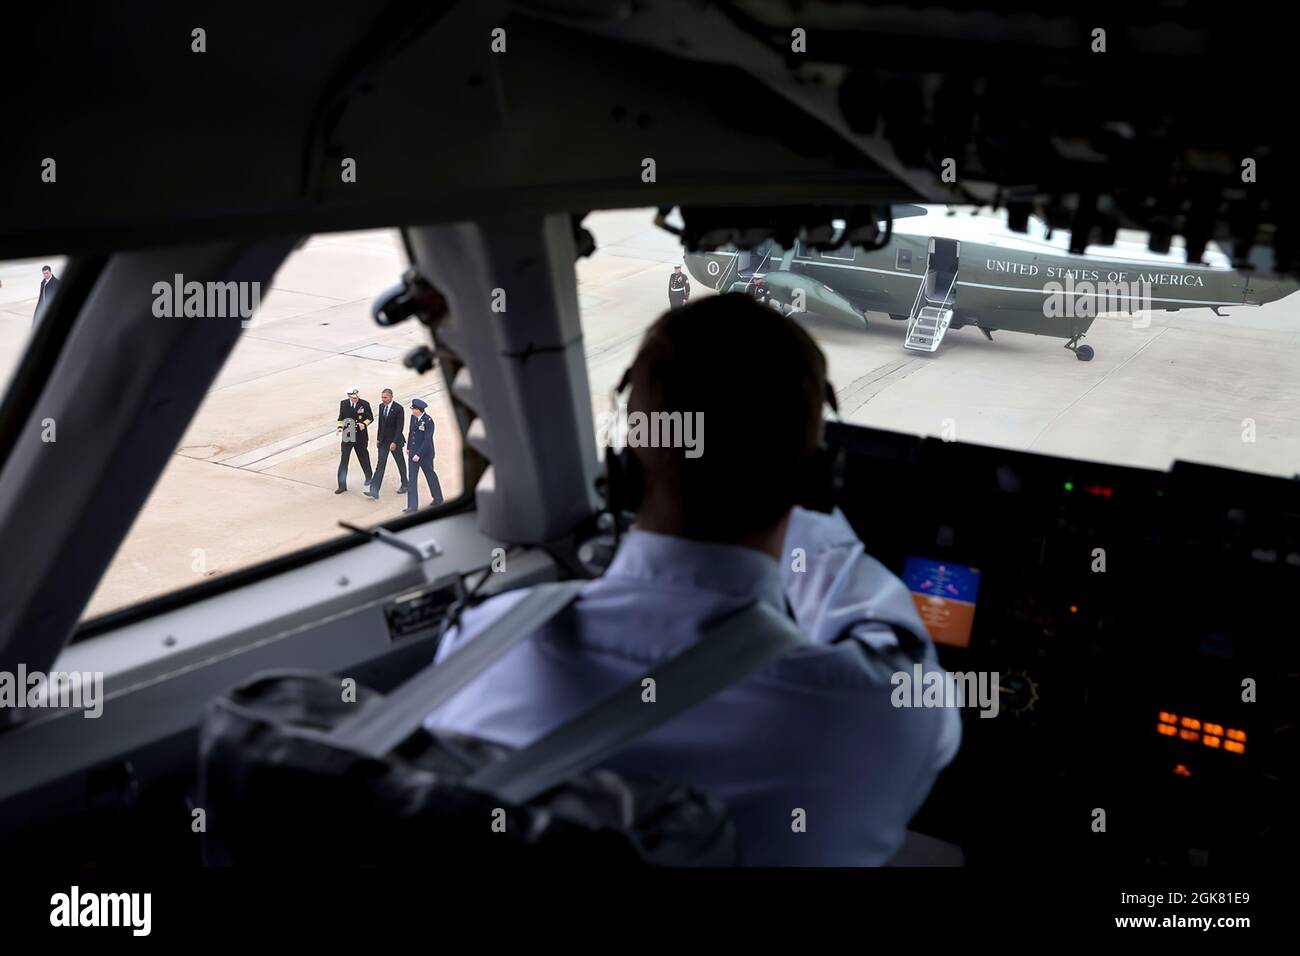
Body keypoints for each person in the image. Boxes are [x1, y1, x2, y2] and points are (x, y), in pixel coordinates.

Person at [423, 293, 961, 865]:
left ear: (624, 470)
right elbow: (902, 655)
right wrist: (817, 531)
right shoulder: (878, 713)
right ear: (816, 480)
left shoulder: (478, 642)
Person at [402, 397, 443, 513]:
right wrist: (409, 448)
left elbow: (427, 440)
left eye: (414, 409)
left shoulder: (428, 421)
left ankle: (438, 498)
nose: (412, 411)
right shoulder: (413, 417)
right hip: (413, 453)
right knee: (412, 479)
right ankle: (412, 506)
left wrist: (419, 454)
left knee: (430, 475)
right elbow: (411, 433)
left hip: (425, 454)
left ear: (419, 410)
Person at [366, 388, 408, 500]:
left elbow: (400, 427)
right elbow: (381, 424)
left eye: (385, 397)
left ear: (391, 397)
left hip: (395, 441)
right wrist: (379, 438)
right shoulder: (381, 406)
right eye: (382, 397)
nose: (383, 399)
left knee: (400, 463)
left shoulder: (398, 409)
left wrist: (394, 442)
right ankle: (374, 490)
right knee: (380, 464)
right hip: (384, 441)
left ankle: (405, 484)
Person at [335, 387, 374, 494]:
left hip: (360, 435)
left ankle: (369, 477)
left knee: (363, 457)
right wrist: (339, 427)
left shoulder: (364, 404)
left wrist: (364, 424)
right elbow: (341, 418)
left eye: (356, 397)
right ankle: (342, 485)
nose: (355, 399)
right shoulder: (343, 404)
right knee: (344, 460)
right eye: (353, 398)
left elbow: (370, 417)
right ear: (348, 397)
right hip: (348, 434)